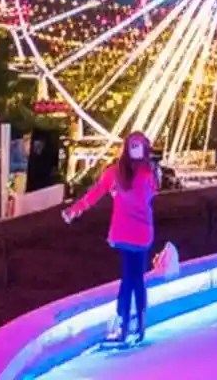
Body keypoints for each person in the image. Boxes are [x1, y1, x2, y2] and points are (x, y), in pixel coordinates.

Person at [63, 132, 159, 345]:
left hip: (124, 233)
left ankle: (123, 323)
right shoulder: (149, 173)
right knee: (137, 278)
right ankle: (140, 321)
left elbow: (94, 194)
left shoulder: (114, 174)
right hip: (142, 233)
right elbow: (152, 195)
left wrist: (74, 211)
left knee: (128, 278)